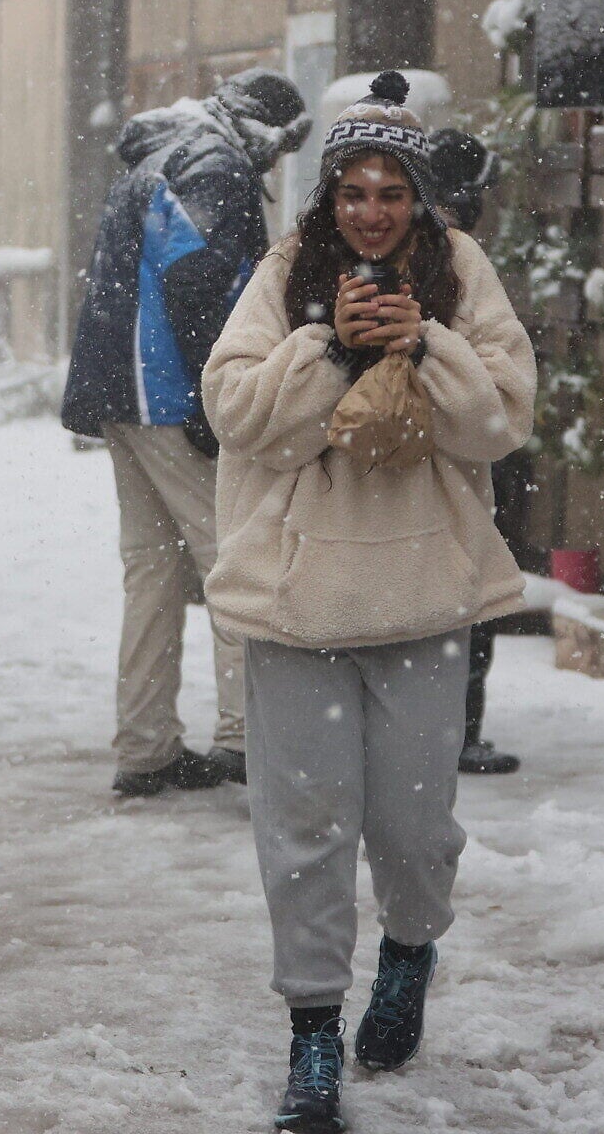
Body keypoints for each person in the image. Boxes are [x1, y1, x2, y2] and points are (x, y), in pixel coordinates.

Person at [199, 73, 536, 1132]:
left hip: (420, 593)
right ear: (326, 195)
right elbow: (236, 412)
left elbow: (501, 422)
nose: (372, 211)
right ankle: (309, 1034)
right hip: (295, 599)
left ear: (419, 201)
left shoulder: (459, 271)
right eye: (353, 189)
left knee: (409, 825)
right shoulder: (285, 270)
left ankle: (406, 949)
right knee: (299, 827)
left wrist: (422, 343)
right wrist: (326, 343)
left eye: (392, 190)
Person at [60, 68, 311, 798]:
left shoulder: (159, 153)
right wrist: (217, 399)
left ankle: (145, 747)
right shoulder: (217, 166)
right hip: (167, 394)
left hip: (119, 392)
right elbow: (198, 278)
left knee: (154, 572)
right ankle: (243, 739)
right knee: (234, 561)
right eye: (281, 146)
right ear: (265, 132)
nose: (274, 162)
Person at [425, 128, 523, 777]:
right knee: (469, 591)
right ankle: (457, 733)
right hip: (452, 446)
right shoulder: (455, 256)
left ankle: (438, 729)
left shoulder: (412, 249)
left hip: (415, 447)